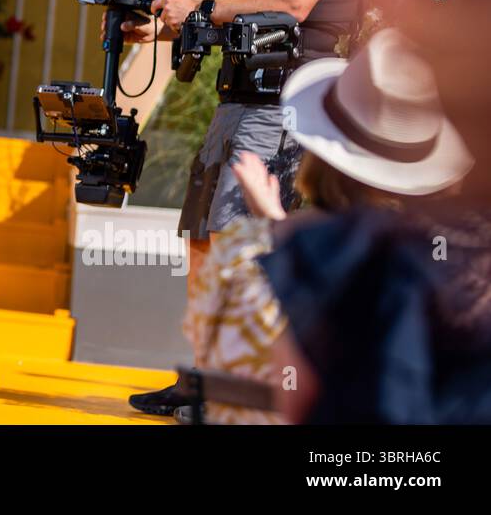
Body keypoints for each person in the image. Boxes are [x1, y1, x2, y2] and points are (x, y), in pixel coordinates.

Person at [122, 0, 378, 416]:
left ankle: (241, 391)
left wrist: (201, 8)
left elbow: (294, 3)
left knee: (244, 243)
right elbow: (238, 6)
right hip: (241, 93)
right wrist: (164, 24)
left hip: (286, 100)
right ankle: (201, 381)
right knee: (207, 240)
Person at [184, 28, 474, 423]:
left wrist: (269, 232)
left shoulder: (252, 259)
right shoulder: (462, 272)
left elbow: (227, 389)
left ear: (317, 149)